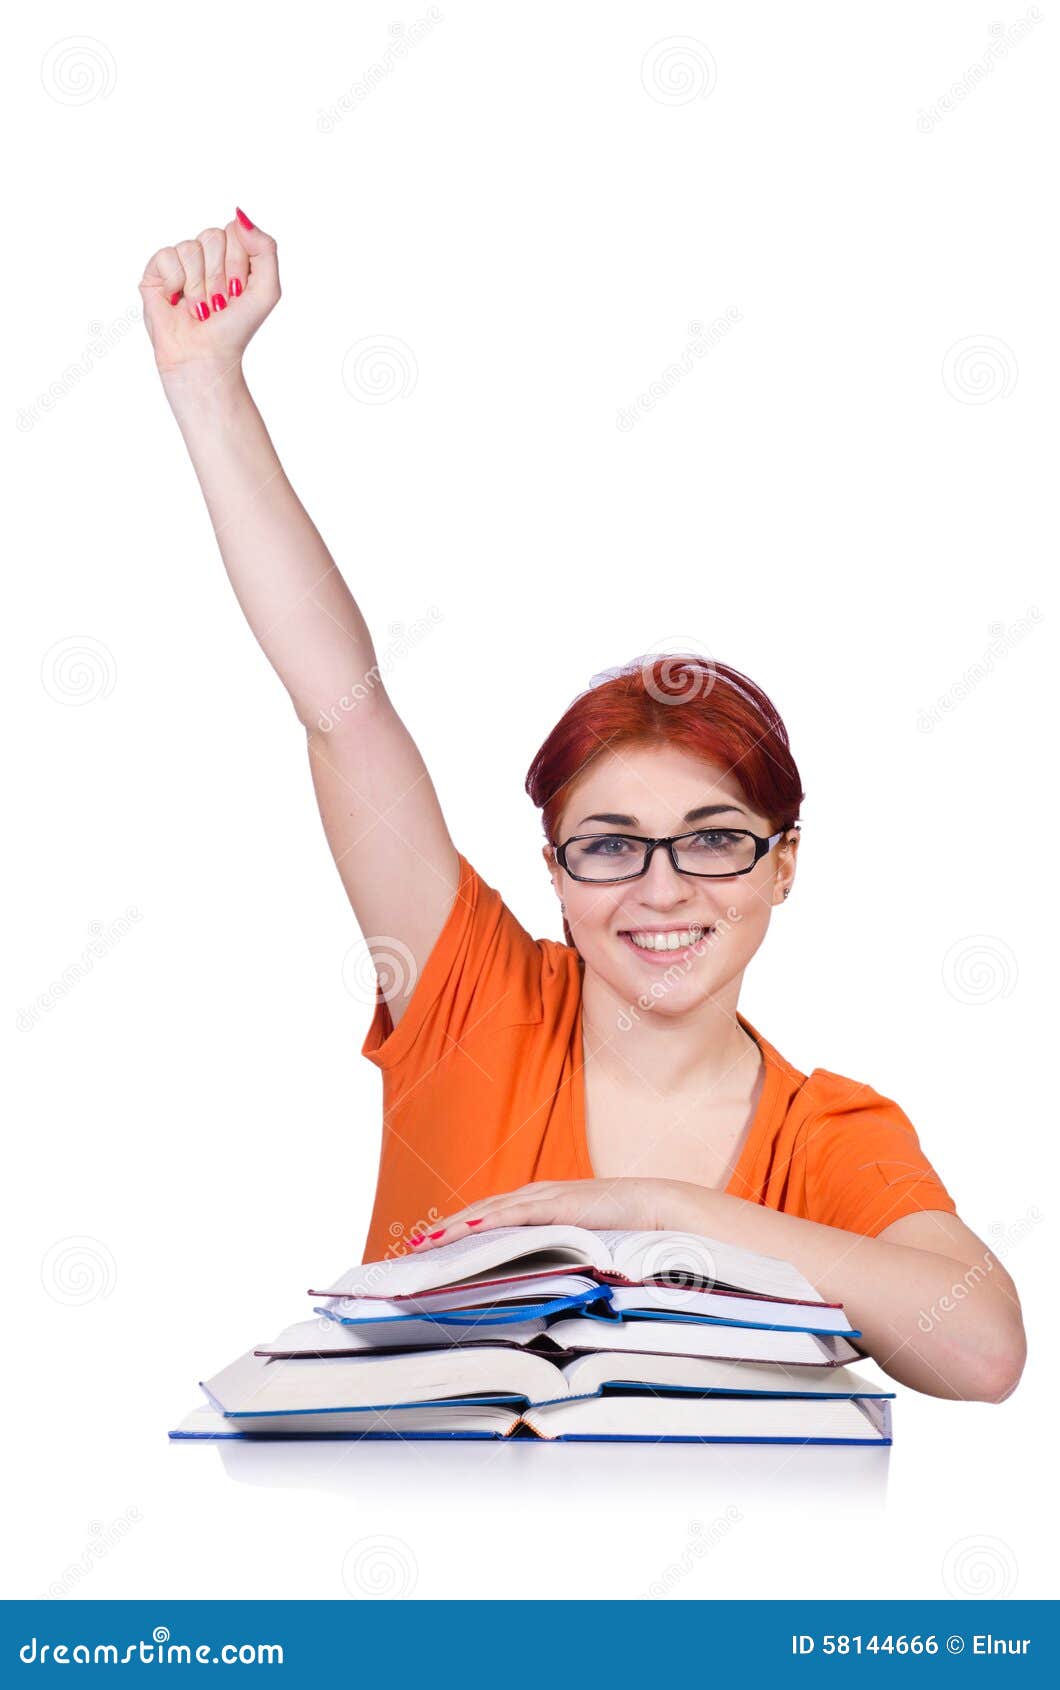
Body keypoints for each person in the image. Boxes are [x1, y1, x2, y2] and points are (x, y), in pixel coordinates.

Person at [139, 211, 1026, 1405]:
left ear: (784, 863)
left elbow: (982, 1354)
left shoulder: (828, 1135)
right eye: (610, 846)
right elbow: (342, 710)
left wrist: (657, 1213)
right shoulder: (474, 1004)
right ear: (554, 870)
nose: (662, 889)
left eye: (713, 839)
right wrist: (206, 383)